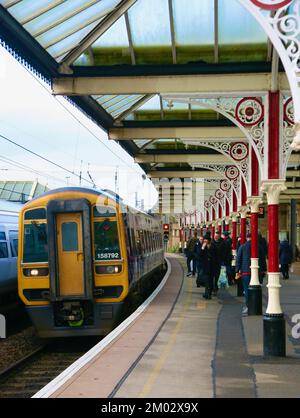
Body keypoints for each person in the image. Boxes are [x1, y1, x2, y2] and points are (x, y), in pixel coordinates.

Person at [236, 232, 267, 315]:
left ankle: (248, 306)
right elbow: (263, 259)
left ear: (247, 238)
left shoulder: (242, 247)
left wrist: (237, 270)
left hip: (245, 272)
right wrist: (264, 270)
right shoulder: (259, 247)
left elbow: (238, 259)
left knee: (246, 290)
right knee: (257, 290)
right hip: (257, 271)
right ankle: (255, 306)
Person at [199, 235, 218, 300]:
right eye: (204, 240)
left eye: (206, 240)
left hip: (212, 266)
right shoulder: (203, 247)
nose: (204, 241)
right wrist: (202, 248)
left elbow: (216, 256)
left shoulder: (213, 246)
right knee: (207, 280)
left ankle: (209, 293)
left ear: (209, 241)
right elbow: (200, 255)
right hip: (206, 266)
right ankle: (207, 293)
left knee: (210, 280)